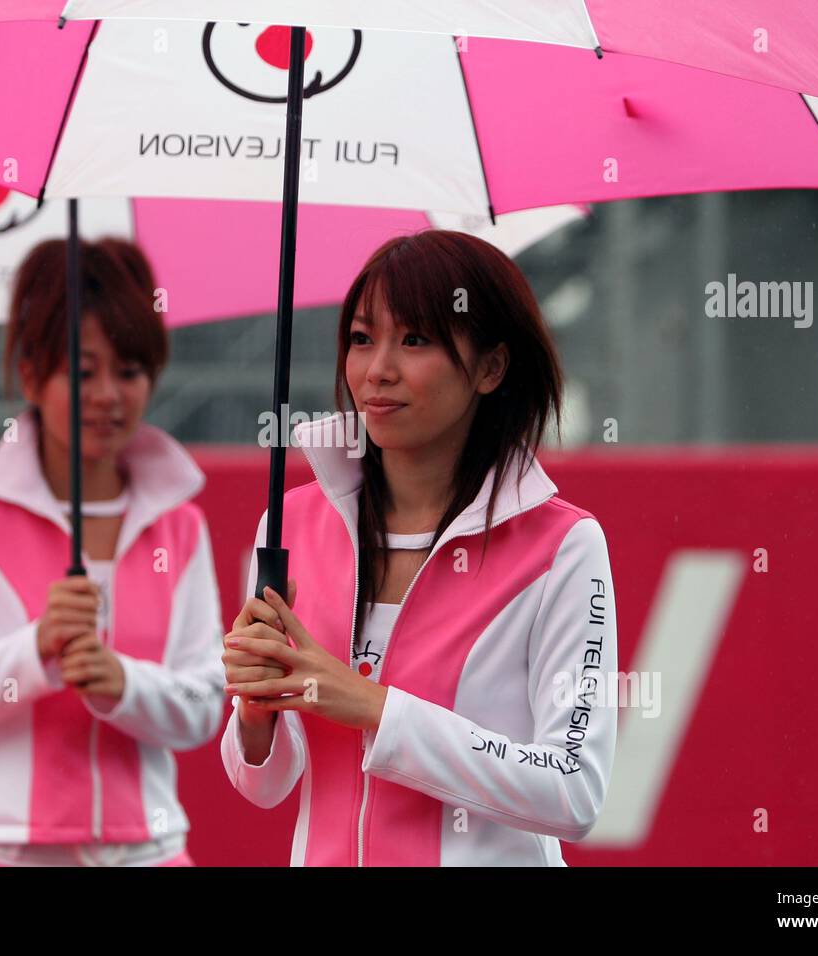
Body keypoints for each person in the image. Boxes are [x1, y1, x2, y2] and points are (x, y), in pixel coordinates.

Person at [220, 230, 618, 866]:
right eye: (360, 338)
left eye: (414, 340)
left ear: (492, 367)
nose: (377, 370)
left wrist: (374, 707)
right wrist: (255, 712)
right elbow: (263, 784)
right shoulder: (288, 524)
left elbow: (573, 790)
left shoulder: (563, 546)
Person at [0, 237, 225, 866]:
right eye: (81, 371)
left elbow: (205, 706)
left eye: (129, 371)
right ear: (30, 374)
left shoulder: (181, 526)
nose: (108, 394)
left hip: (150, 852)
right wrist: (35, 649)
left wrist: (124, 685)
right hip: (1, 852)